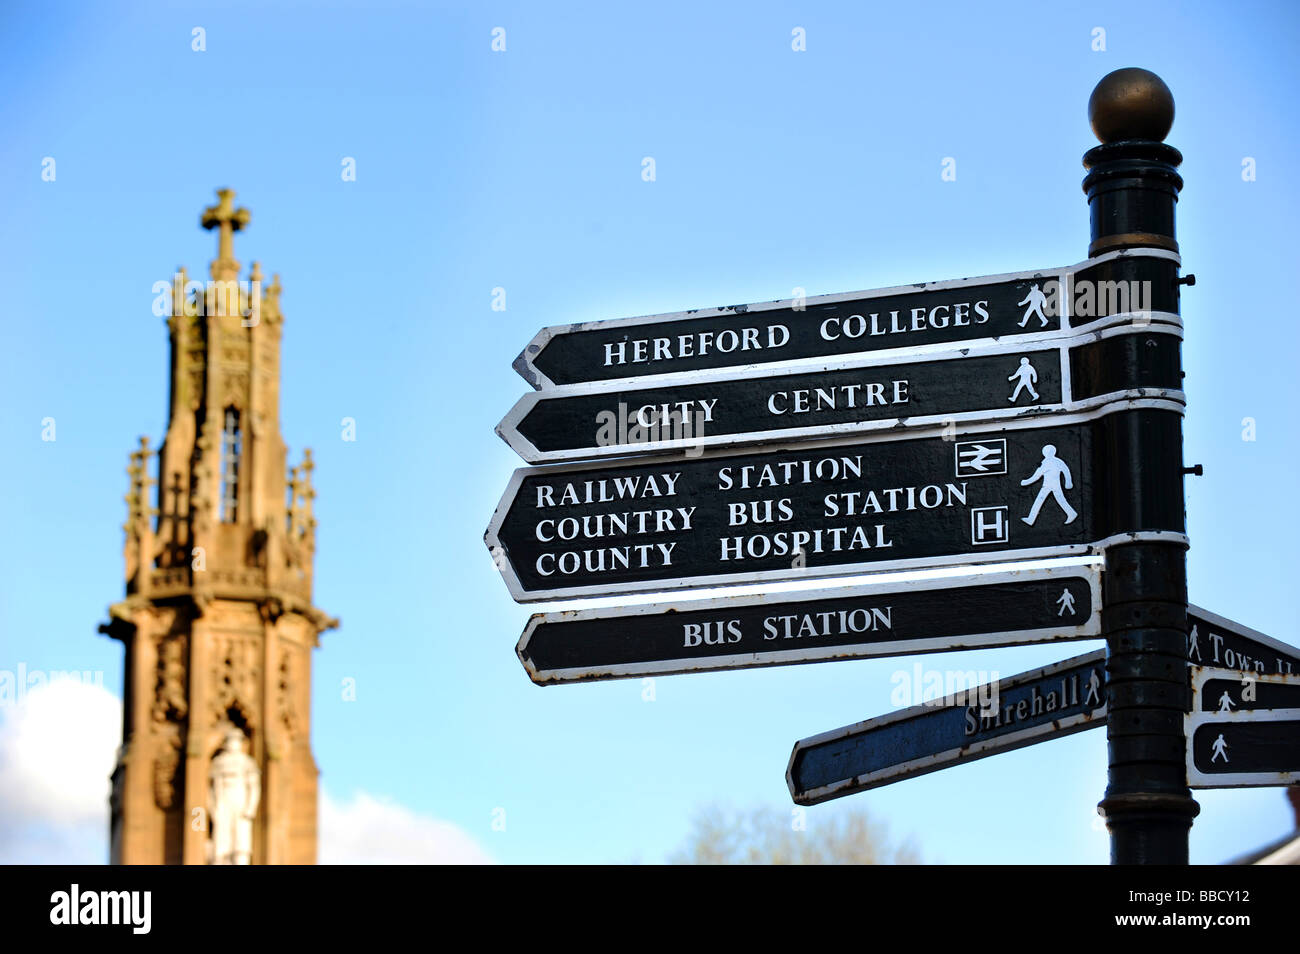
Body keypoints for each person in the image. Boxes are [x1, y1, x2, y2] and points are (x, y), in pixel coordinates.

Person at [1021, 444, 1077, 525]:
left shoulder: (1046, 462)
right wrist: (1068, 482)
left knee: (1039, 501)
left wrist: (1025, 482)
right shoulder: (1058, 461)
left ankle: (1031, 519)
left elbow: (1037, 476)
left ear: (1044, 453)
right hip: (1054, 485)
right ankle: (1071, 513)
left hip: (1048, 486)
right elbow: (1066, 471)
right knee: (1060, 500)